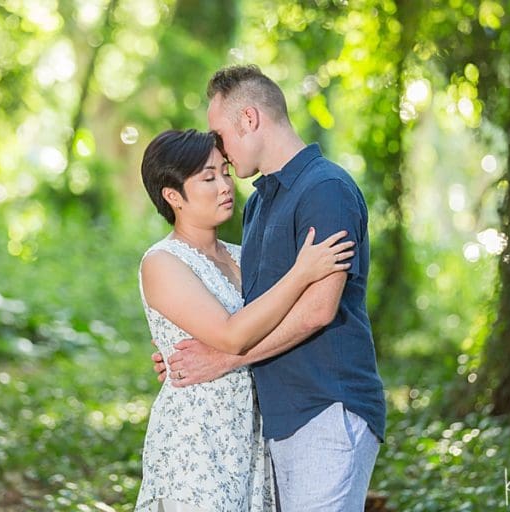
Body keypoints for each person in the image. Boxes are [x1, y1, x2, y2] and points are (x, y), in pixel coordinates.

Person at [153, 65, 387, 511]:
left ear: (250, 119)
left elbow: (318, 309)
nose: (217, 148)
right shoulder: (261, 202)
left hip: (326, 405)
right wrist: (180, 351)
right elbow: (243, 306)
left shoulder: (326, 189)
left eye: (219, 133)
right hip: (278, 420)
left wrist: (220, 360)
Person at [135, 128, 355, 512]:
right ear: (173, 197)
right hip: (196, 441)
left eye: (224, 171)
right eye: (208, 177)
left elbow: (292, 318)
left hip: (252, 438)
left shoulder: (243, 255)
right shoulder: (162, 261)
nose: (225, 186)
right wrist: (302, 272)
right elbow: (231, 336)